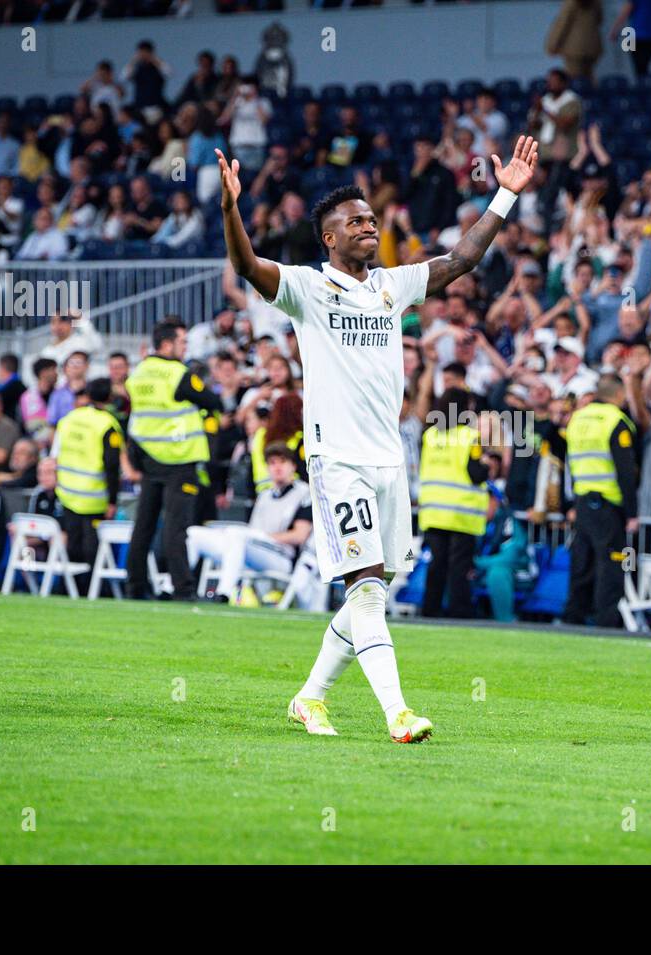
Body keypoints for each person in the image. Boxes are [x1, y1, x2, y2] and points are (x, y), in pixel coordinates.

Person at [215, 132, 538, 742]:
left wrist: (503, 197)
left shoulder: (391, 287)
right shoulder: (309, 288)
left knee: (375, 592)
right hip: (337, 460)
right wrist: (233, 209)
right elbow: (246, 266)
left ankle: (310, 698)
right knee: (364, 588)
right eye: (355, 222)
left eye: (370, 219)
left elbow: (461, 261)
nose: (369, 227)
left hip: (390, 462)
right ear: (329, 238)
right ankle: (398, 712)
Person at [125, 319, 224, 600]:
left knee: (143, 525)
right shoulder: (178, 373)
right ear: (167, 344)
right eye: (182, 342)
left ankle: (135, 586)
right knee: (175, 527)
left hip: (149, 458)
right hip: (179, 460)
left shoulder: (139, 372)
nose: (185, 347)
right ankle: (183, 589)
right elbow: (211, 401)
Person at [186, 442, 322, 609]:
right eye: (272, 463)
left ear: (293, 466)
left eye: (282, 462)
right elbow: (251, 532)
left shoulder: (304, 493)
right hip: (253, 550)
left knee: (237, 534)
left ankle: (224, 593)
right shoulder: (264, 496)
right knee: (193, 533)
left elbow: (299, 535)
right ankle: (178, 589)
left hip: (282, 557)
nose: (277, 467)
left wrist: (264, 537)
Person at [563, 374, 639, 629]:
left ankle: (573, 616)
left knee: (582, 563)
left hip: (583, 502)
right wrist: (632, 512)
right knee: (612, 564)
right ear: (619, 394)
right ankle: (606, 621)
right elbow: (625, 470)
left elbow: (570, 466)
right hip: (608, 504)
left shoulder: (577, 419)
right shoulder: (615, 420)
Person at [418, 388, 490, 619]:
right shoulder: (470, 437)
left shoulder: (430, 435)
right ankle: (460, 610)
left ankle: (431, 608)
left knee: (436, 564)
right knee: (459, 566)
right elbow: (476, 473)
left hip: (433, 511)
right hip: (461, 512)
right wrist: (487, 466)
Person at [50, 378, 122, 571]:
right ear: (109, 397)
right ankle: (91, 589)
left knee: (72, 544)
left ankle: (69, 588)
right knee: (92, 548)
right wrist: (113, 500)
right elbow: (112, 466)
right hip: (94, 496)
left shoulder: (69, 419)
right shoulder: (107, 424)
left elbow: (55, 455)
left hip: (67, 492)